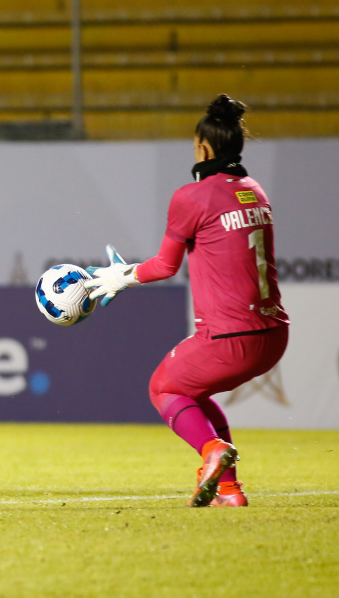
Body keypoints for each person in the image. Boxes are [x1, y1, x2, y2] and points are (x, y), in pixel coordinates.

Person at [84, 94, 289, 507]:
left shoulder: (191, 197)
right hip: (273, 335)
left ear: (203, 148)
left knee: (164, 388)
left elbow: (164, 266)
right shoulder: (253, 190)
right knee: (194, 395)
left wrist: (121, 277)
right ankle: (228, 491)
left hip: (230, 338)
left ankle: (211, 452)